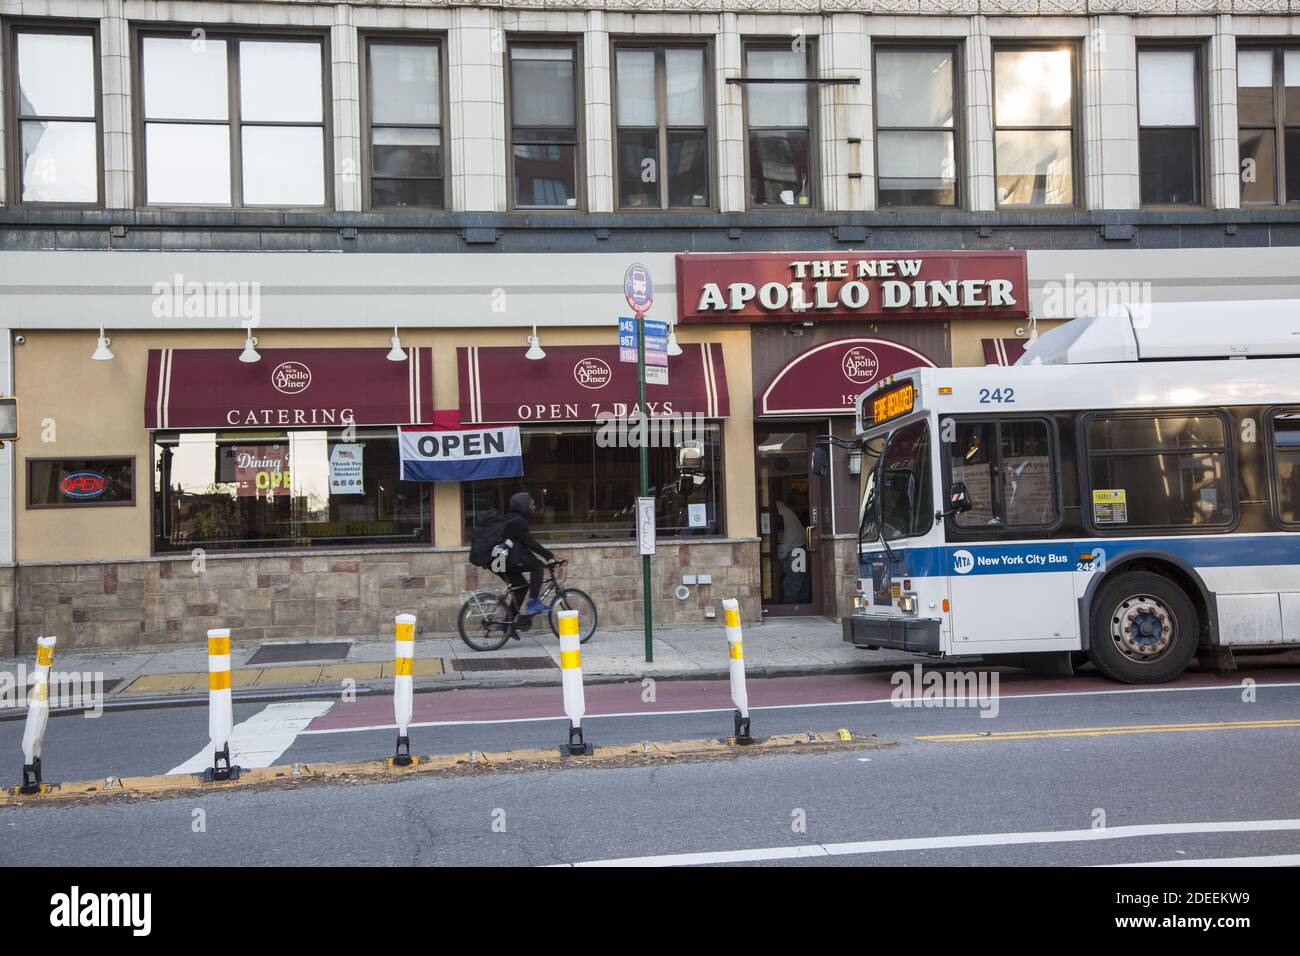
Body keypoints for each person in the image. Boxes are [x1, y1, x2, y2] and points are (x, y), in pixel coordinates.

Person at [498, 491, 559, 617]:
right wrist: (549, 556)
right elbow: (531, 543)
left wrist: (545, 557)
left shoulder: (511, 518)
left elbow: (523, 545)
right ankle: (533, 603)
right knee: (537, 566)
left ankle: (507, 624)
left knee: (521, 587)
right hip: (509, 560)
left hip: (504, 560)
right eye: (531, 504)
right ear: (523, 505)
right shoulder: (518, 521)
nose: (533, 507)